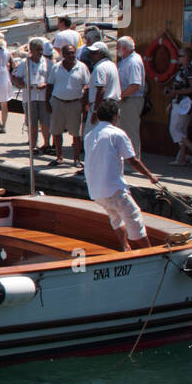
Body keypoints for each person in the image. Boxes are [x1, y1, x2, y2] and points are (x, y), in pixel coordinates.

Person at [84, 98, 160, 251]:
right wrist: (150, 176)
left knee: (116, 217)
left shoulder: (89, 135)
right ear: (115, 116)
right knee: (133, 217)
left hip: (96, 191)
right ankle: (150, 253)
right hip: (114, 189)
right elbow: (133, 160)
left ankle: (125, 247)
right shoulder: (117, 134)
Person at [46, 42, 88, 166]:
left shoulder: (82, 67)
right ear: (63, 54)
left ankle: (76, 159)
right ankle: (59, 157)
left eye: (73, 53)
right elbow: (49, 85)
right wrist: (46, 103)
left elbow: (86, 86)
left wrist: (85, 105)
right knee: (56, 130)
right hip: (58, 102)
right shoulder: (56, 67)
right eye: (68, 53)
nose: (71, 55)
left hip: (75, 103)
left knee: (76, 133)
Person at [12, 37, 51, 155]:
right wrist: (26, 85)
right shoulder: (25, 63)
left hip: (44, 96)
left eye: (41, 50)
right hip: (30, 97)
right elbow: (16, 78)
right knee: (32, 122)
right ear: (32, 50)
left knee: (45, 122)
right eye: (38, 50)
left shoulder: (47, 62)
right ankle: (33, 145)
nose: (40, 52)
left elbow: (52, 78)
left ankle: (47, 144)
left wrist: (45, 85)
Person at [115, 35, 146, 158]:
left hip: (131, 101)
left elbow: (135, 85)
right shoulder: (125, 60)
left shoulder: (133, 62)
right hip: (126, 101)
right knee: (122, 130)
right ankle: (125, 158)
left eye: (118, 47)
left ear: (125, 48)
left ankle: (133, 161)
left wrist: (120, 96)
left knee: (130, 132)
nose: (116, 49)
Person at [166, 46, 192, 166]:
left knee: (175, 129)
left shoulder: (189, 71)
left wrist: (176, 93)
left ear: (187, 58)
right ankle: (181, 158)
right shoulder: (181, 70)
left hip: (184, 103)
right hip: (177, 101)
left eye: (181, 56)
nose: (178, 58)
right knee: (181, 130)